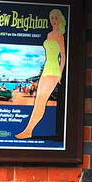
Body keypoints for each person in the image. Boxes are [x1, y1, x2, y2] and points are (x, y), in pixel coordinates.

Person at [15, 9, 66, 140]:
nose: (53, 20)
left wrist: (60, 73)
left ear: (59, 19)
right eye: (52, 18)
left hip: (54, 71)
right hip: (46, 70)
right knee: (37, 101)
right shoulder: (49, 35)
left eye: (56, 18)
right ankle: (28, 131)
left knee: (41, 102)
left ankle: (28, 131)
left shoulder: (60, 36)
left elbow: (63, 56)